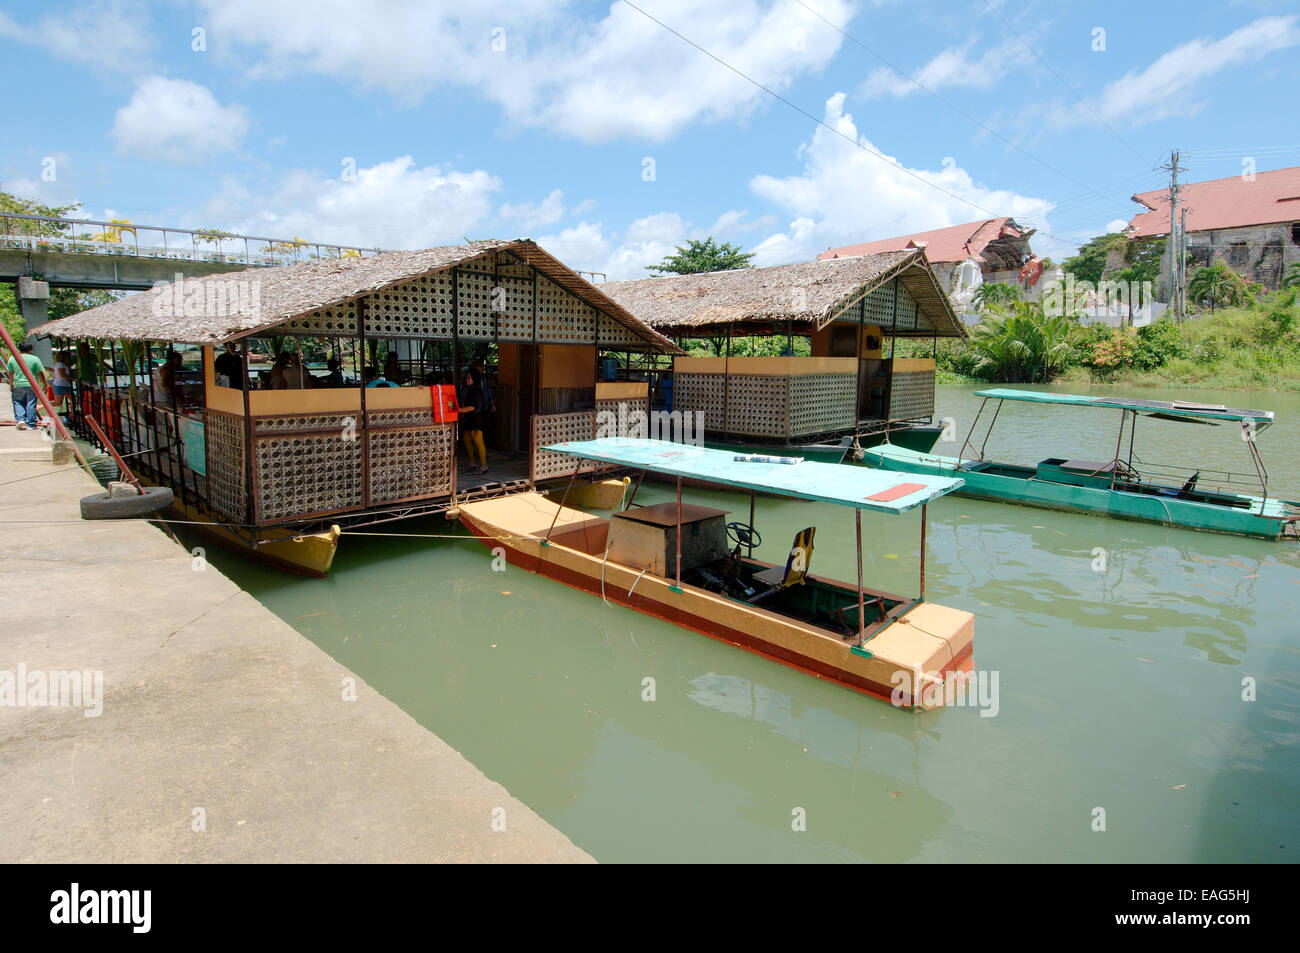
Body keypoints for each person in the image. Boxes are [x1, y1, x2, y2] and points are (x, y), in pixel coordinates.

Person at [5, 341, 47, 431]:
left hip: (18, 385)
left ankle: (20, 420)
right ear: (30, 349)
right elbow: (40, 373)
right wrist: (44, 384)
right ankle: (31, 423)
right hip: (31, 385)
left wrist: (11, 384)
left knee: (18, 402)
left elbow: (11, 373)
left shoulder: (12, 359)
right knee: (31, 403)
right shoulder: (35, 359)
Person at [458, 367, 488, 475]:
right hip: (469, 420)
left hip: (476, 420)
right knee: (466, 440)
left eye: (469, 378)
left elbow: (473, 407)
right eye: (467, 377)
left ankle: (484, 465)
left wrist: (459, 410)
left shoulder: (477, 392)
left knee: (478, 442)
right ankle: (472, 463)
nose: (467, 379)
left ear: (474, 378)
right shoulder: (468, 390)